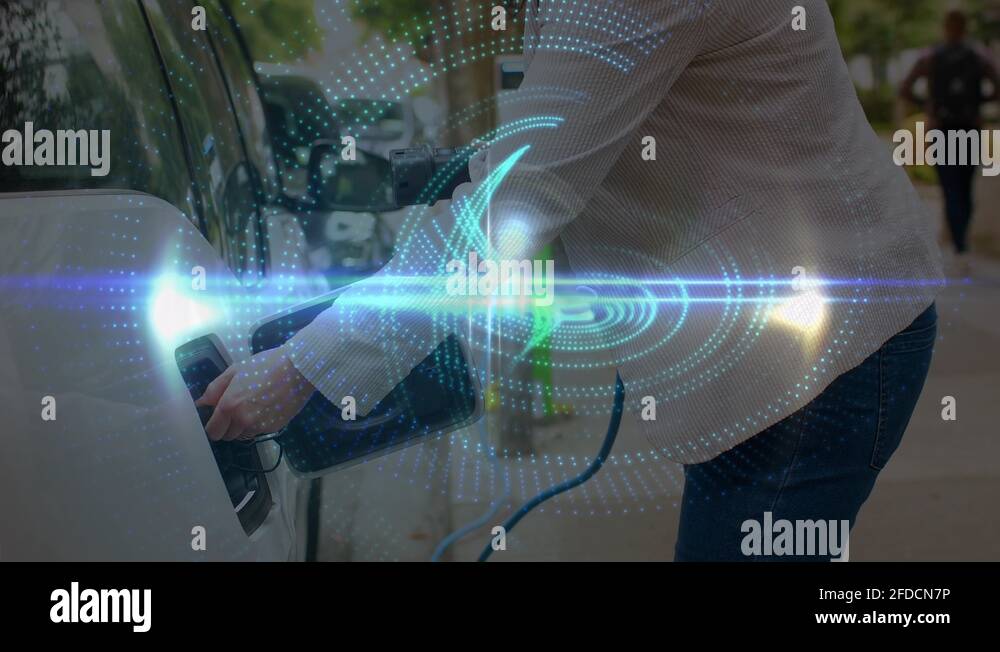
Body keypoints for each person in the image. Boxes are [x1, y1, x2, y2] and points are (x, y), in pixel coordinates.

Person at [198, 0, 943, 561]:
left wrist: (301, 369)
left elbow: (509, 214)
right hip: (797, 353)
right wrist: (430, 172)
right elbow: (588, 113)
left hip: (821, 367)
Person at [901, 9, 999, 272]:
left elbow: (905, 88)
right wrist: (979, 105)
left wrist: (929, 106)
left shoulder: (930, 56)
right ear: (965, 27)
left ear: (945, 27)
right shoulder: (979, 55)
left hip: (942, 129)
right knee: (965, 189)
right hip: (969, 128)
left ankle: (958, 247)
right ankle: (961, 245)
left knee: (950, 187)